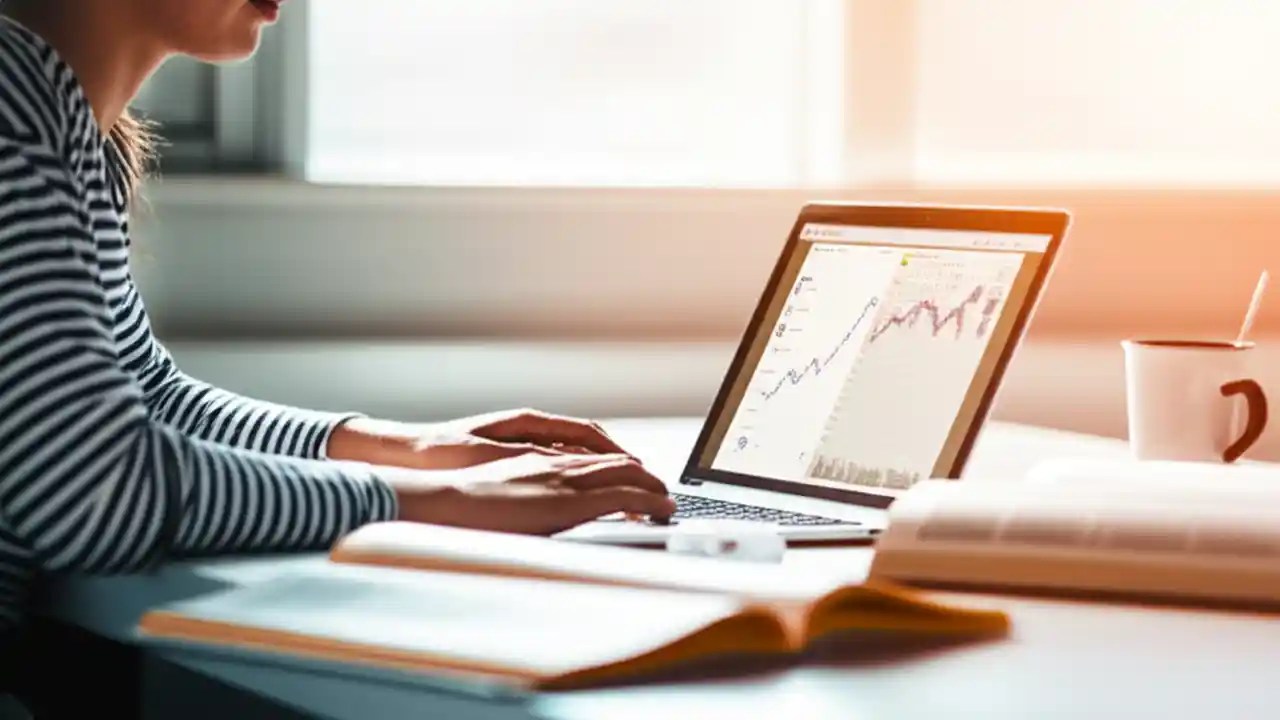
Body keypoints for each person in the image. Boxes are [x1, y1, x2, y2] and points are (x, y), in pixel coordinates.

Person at [0, 0, 675, 709]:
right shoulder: (14, 101)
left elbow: (147, 391)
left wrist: (411, 448)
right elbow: (95, 492)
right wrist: (437, 502)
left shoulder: (70, 125)